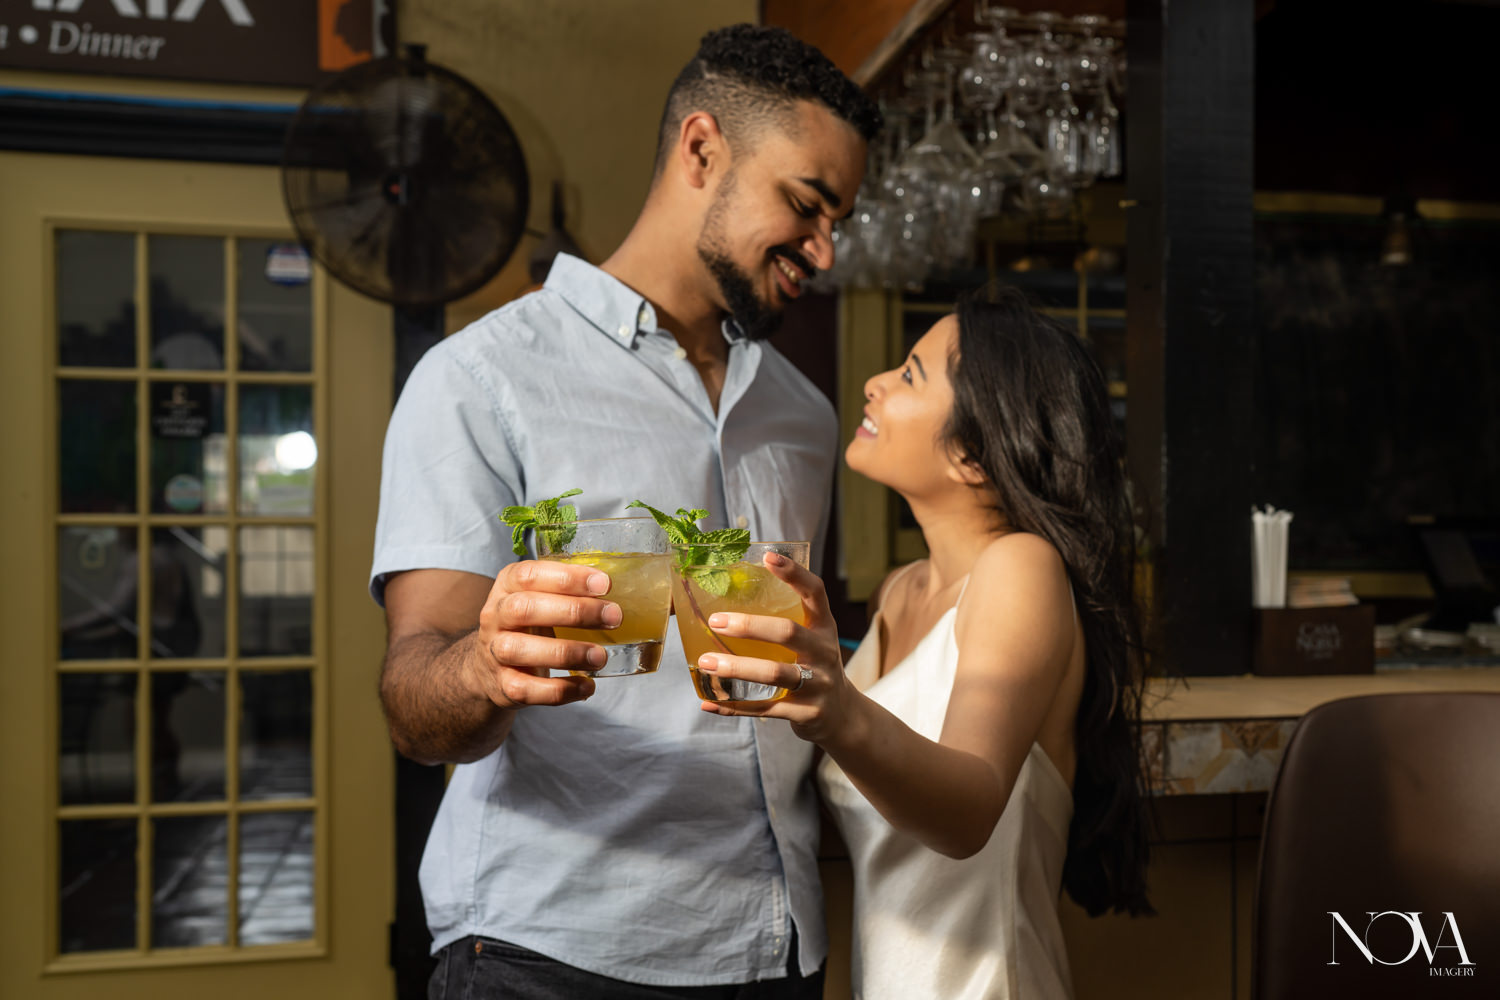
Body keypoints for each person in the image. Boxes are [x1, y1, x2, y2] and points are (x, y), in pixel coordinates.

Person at [370, 24, 880, 1000]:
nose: (822, 250)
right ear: (701, 149)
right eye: (806, 206)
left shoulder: (804, 416)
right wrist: (484, 663)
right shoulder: (483, 377)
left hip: (778, 947)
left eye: (837, 223)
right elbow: (413, 702)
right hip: (553, 952)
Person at [695, 288, 1155, 999]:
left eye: (911, 374)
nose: (875, 383)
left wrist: (838, 711)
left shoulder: (1020, 569)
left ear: (972, 454)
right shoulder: (898, 593)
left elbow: (969, 811)